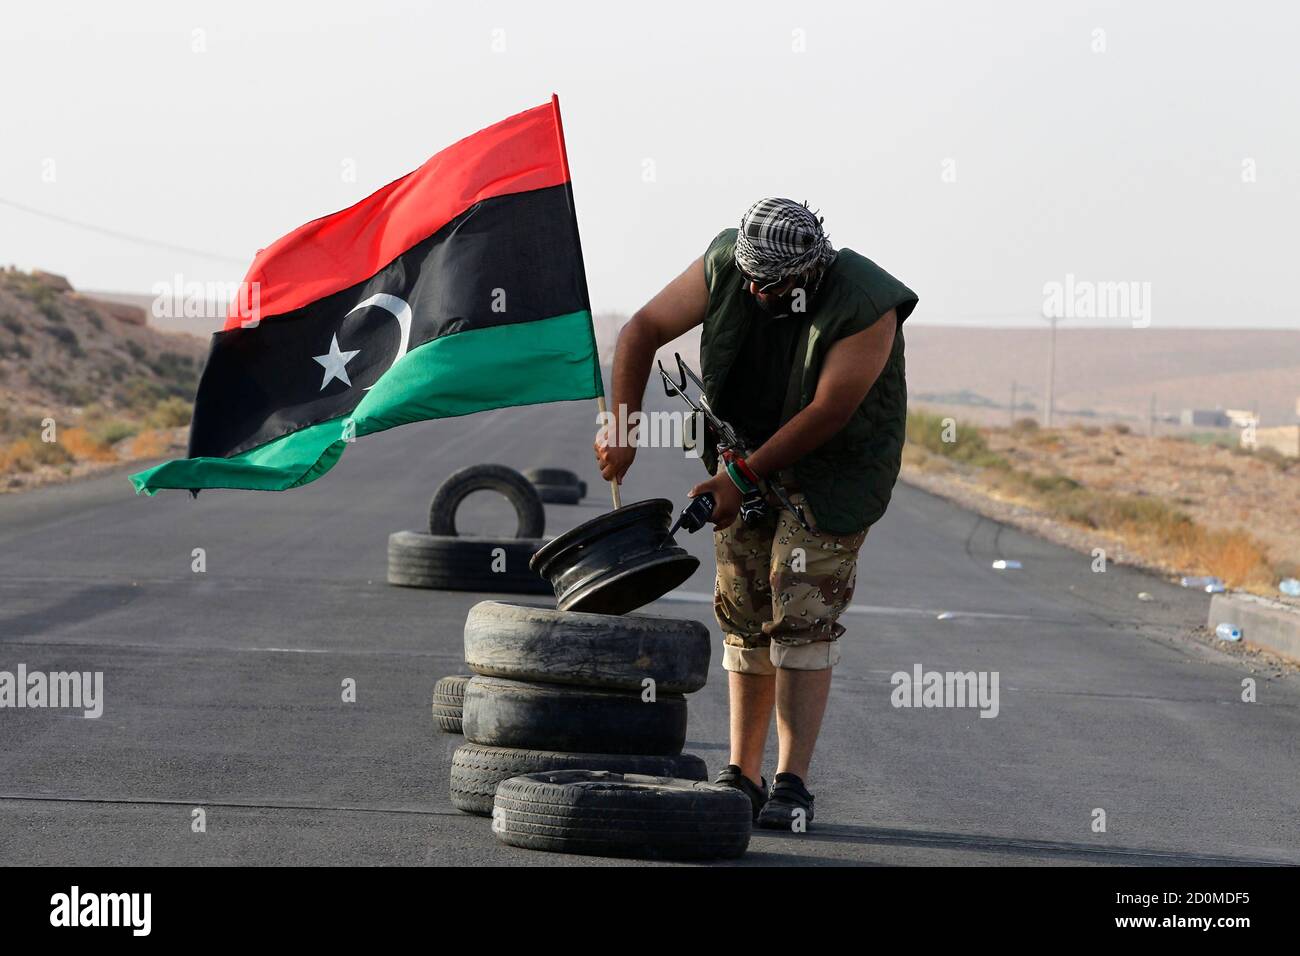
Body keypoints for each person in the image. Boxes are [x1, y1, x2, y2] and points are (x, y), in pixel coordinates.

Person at [595, 198, 918, 829]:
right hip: (742, 454)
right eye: (747, 278)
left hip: (832, 473)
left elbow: (827, 413)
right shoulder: (727, 263)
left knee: (800, 609)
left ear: (808, 276)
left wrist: (738, 477)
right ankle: (741, 775)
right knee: (744, 609)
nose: (753, 290)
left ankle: (792, 783)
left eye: (768, 285)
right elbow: (641, 331)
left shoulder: (865, 302)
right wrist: (623, 424)